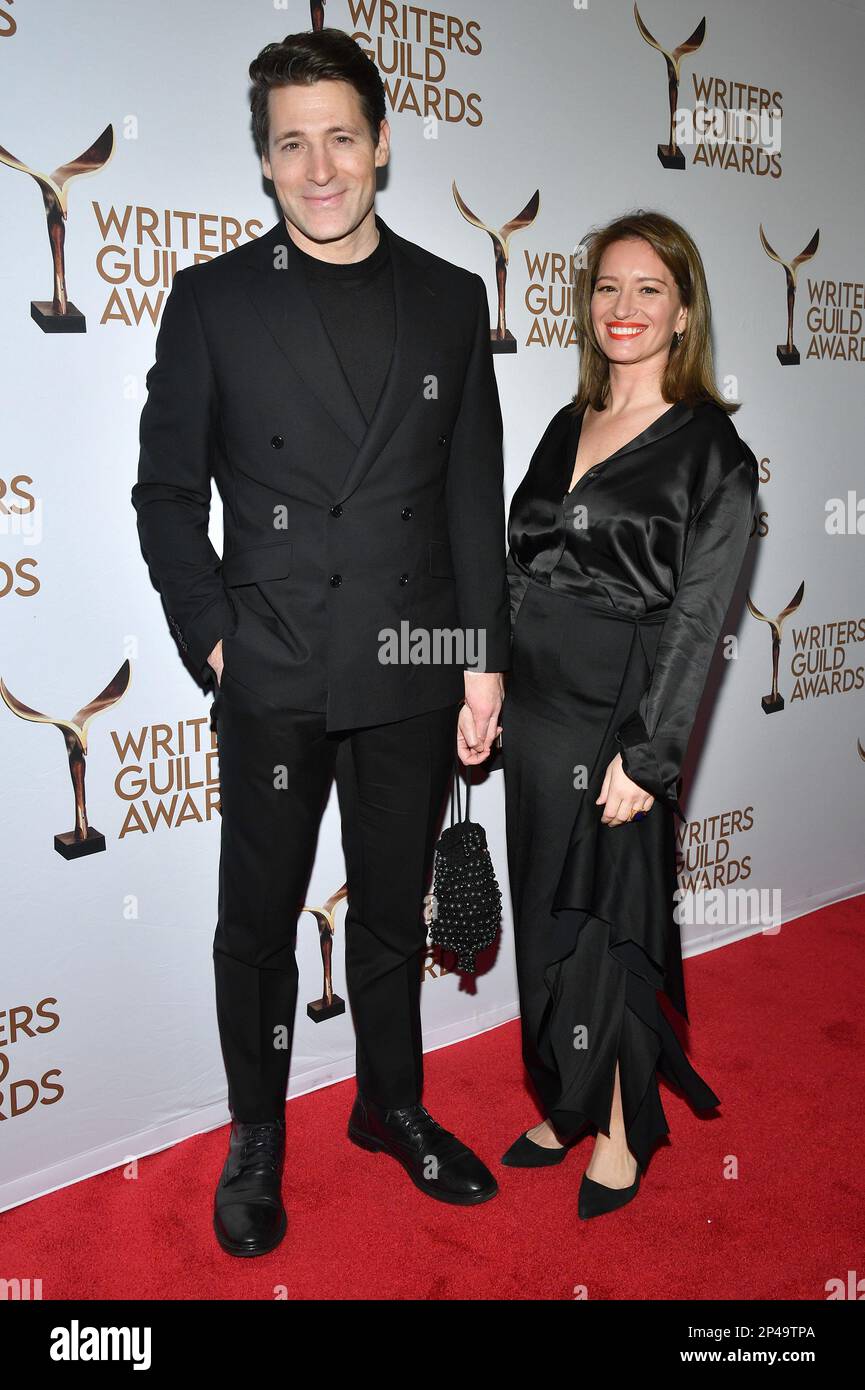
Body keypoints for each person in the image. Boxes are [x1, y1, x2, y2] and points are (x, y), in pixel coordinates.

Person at [131, 28, 509, 1257]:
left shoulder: (453, 302)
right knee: (260, 923)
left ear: (383, 143)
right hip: (278, 666)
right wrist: (214, 642)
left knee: (391, 912)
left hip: (408, 663)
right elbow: (166, 494)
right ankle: (257, 1134)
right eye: (291, 143)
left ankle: (389, 1104)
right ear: (266, 163)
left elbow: (466, 502)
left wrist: (479, 657)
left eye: (341, 136)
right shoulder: (216, 301)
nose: (320, 165)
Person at [500, 210, 759, 1219]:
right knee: (545, 914)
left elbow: (699, 619)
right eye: (608, 286)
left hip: (621, 711)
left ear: (684, 312)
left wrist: (648, 757)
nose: (625, 307)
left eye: (649, 289)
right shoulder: (567, 424)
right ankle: (566, 1097)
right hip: (532, 705)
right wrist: (483, 687)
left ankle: (619, 1123)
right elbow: (517, 566)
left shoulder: (711, 453)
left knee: (609, 923)